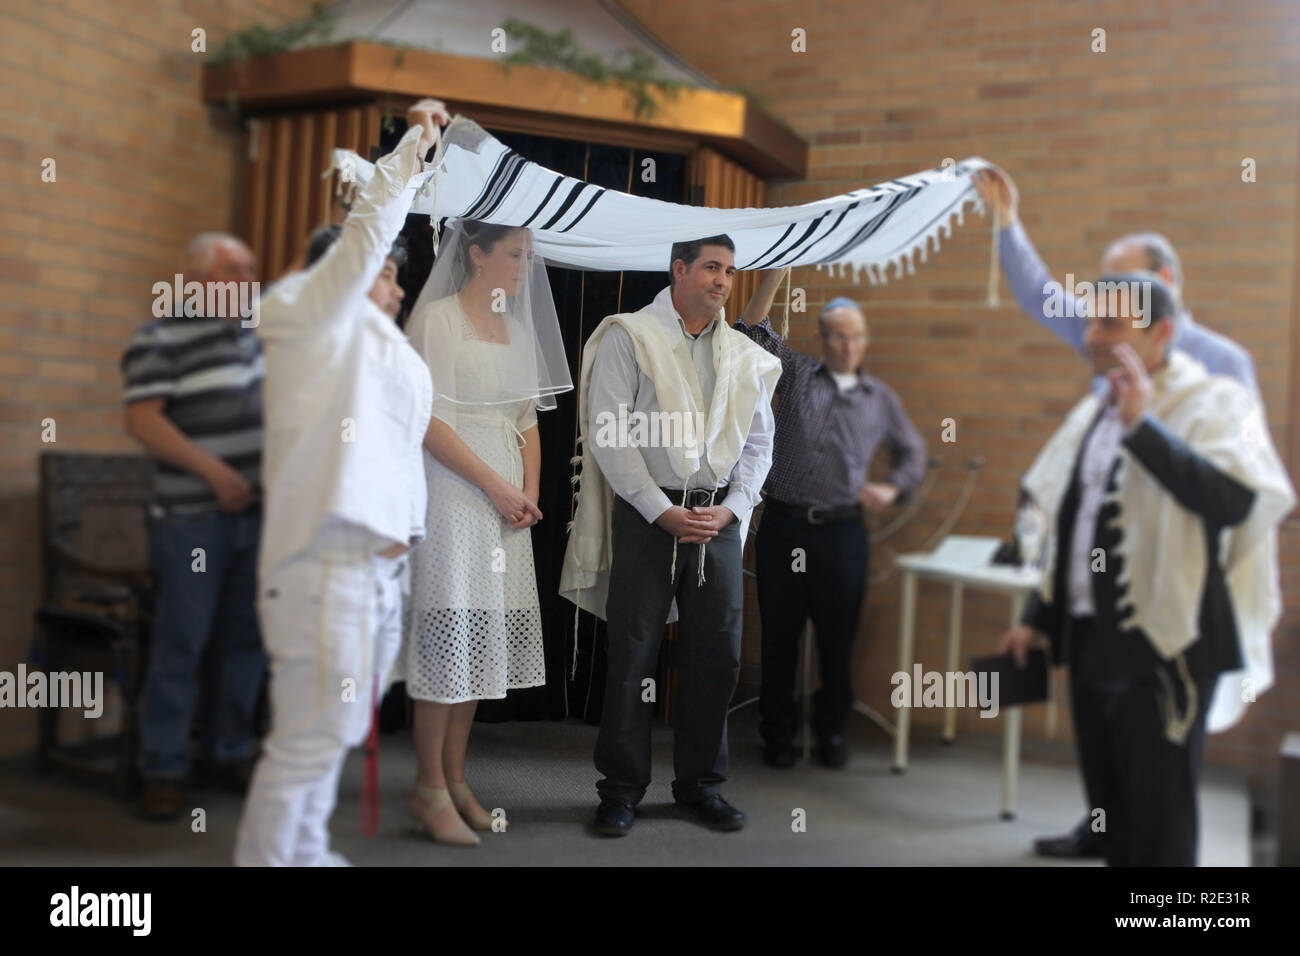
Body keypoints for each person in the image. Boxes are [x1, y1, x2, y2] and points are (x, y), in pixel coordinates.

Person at [973, 165, 1262, 858]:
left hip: (1171, 643)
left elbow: (1233, 497)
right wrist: (1038, 621)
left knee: (1159, 826)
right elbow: (1082, 518)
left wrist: (1145, 429)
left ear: (1163, 327)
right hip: (1095, 634)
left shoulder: (1215, 386)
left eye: (1107, 319)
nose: (1089, 334)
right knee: (1115, 812)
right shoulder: (1101, 399)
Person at [234, 98, 449, 867]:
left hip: (379, 569)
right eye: (386, 271)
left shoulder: (376, 345)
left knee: (332, 737)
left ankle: (302, 855)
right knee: (306, 740)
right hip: (326, 568)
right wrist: (409, 152)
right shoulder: (301, 314)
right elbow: (364, 237)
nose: (394, 282)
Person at [561, 235, 782, 836]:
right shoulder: (628, 335)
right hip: (649, 516)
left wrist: (735, 508)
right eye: (712, 268)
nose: (722, 281)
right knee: (633, 655)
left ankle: (699, 787)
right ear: (678, 269)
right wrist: (661, 511)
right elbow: (608, 433)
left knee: (717, 656)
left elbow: (759, 444)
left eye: (731, 272)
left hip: (719, 523)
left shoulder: (742, 353)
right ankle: (622, 790)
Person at [401, 219, 572, 845]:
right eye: (515, 256)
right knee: (448, 635)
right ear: (476, 255)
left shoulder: (519, 329)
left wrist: (527, 492)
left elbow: (527, 420)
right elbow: (428, 421)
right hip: (452, 490)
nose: (526, 268)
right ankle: (427, 787)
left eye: (530, 257)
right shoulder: (438, 320)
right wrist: (496, 488)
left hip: (504, 501)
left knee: (476, 637)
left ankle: (455, 777)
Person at [734, 278, 926, 769]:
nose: (847, 345)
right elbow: (751, 335)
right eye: (837, 336)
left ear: (865, 342)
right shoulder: (795, 371)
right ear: (821, 339)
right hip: (784, 528)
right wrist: (775, 277)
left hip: (842, 533)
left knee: (838, 640)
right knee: (778, 637)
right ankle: (777, 732)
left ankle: (830, 731)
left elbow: (913, 453)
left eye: (856, 337)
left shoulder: (879, 399)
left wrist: (895, 487)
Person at [121, 232, 266, 820]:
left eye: (250, 270)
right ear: (197, 277)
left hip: (254, 517)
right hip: (191, 521)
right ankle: (162, 765)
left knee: (244, 641)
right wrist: (215, 473)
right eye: (234, 269)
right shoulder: (160, 336)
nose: (246, 280)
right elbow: (142, 421)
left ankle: (228, 750)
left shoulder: (255, 338)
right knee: (182, 643)